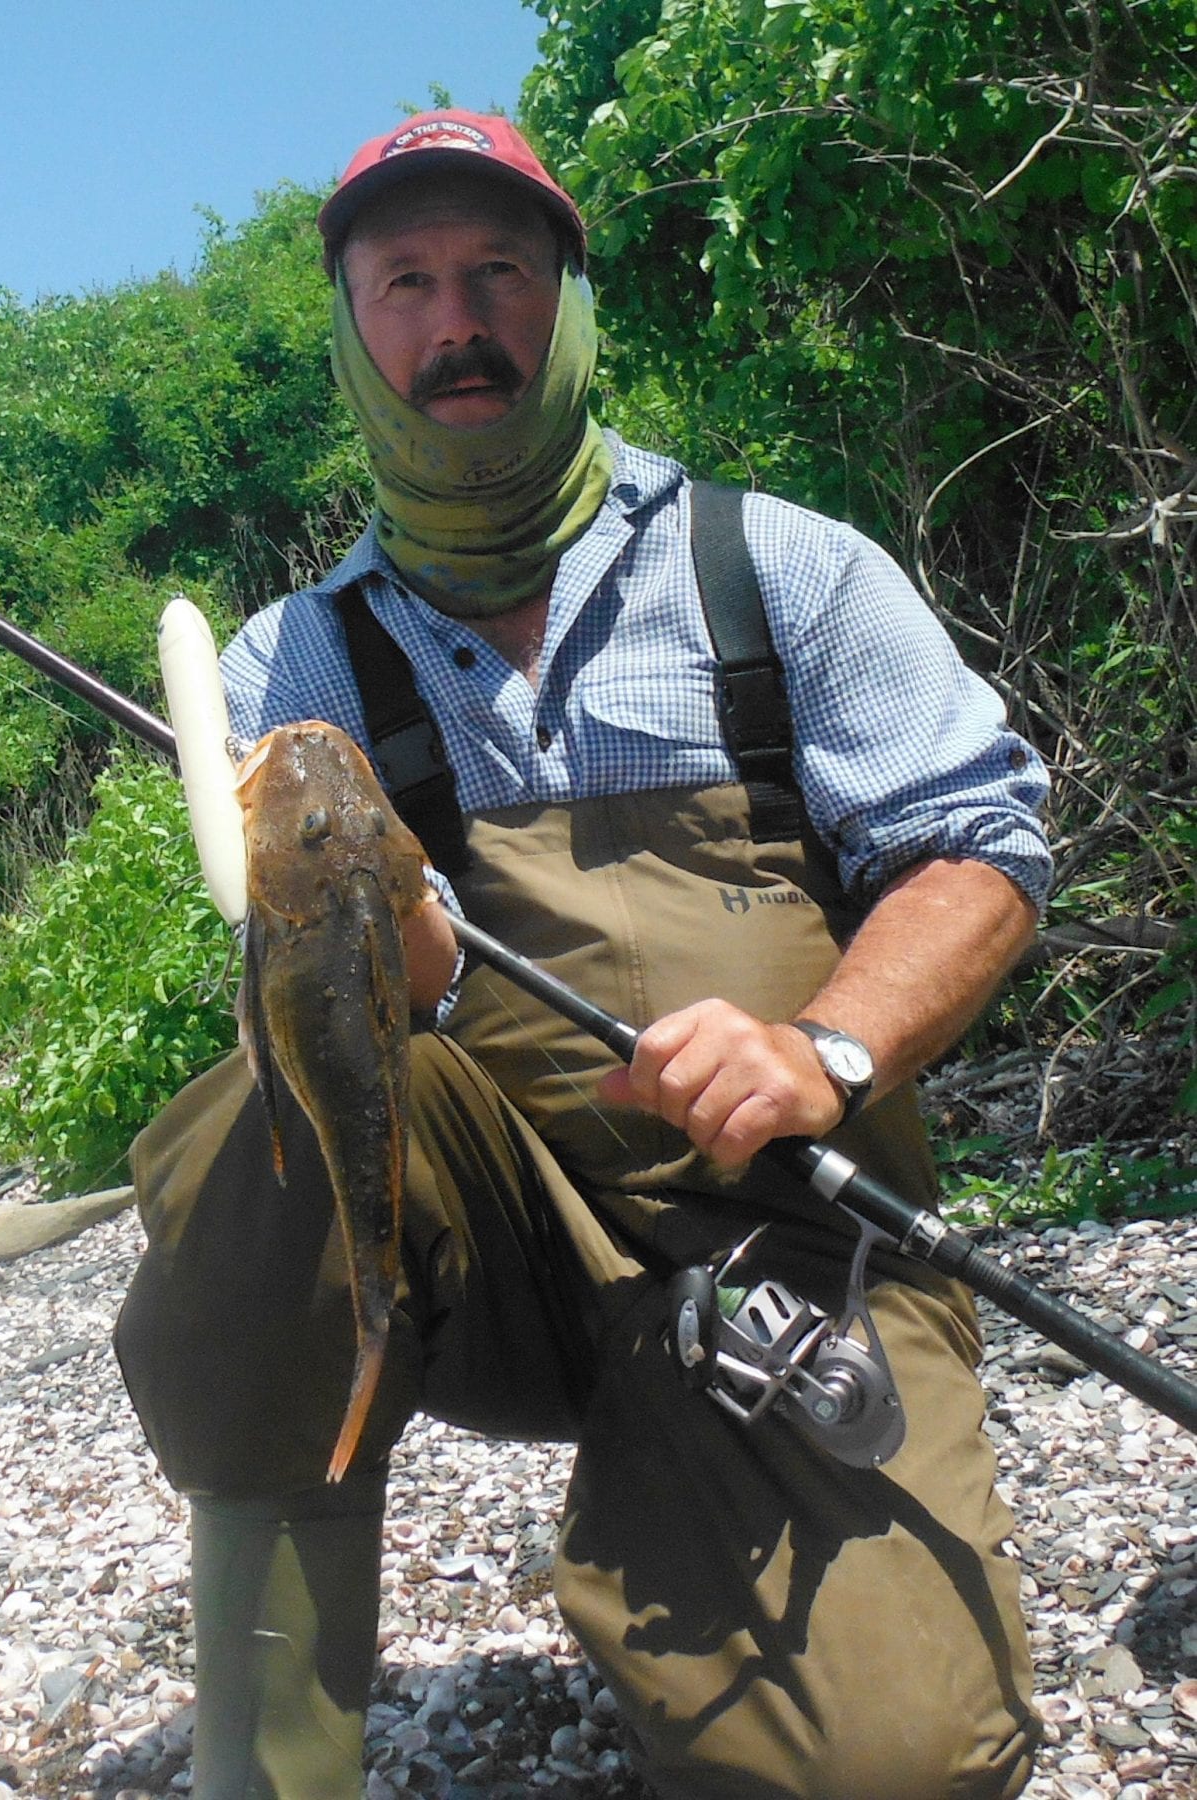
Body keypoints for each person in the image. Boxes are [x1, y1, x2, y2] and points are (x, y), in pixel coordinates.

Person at [115, 110, 1053, 1800]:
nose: (454, 320)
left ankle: (695, 1507)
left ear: (571, 301)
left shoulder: (784, 570)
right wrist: (384, 941)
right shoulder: (290, 662)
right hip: (503, 1248)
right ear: (349, 327)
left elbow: (980, 853)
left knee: (897, 1769)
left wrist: (822, 1052)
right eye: (403, 282)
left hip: (791, 1242)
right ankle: (273, 1764)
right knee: (240, 1155)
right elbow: (357, 1015)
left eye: (499, 270)